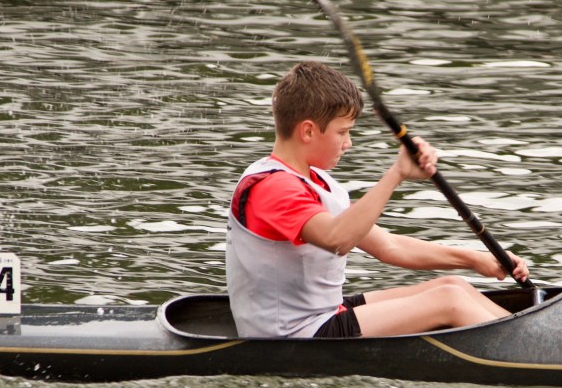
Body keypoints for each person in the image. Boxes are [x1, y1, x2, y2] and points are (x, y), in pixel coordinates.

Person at [226, 61, 530, 338]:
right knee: (448, 302)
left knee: (452, 286)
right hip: (294, 334)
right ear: (307, 131)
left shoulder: (315, 181)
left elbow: (388, 246)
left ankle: (533, 335)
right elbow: (337, 239)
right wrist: (397, 173)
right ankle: (535, 351)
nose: (349, 143)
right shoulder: (273, 188)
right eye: (342, 132)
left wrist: (475, 259)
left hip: (322, 315)